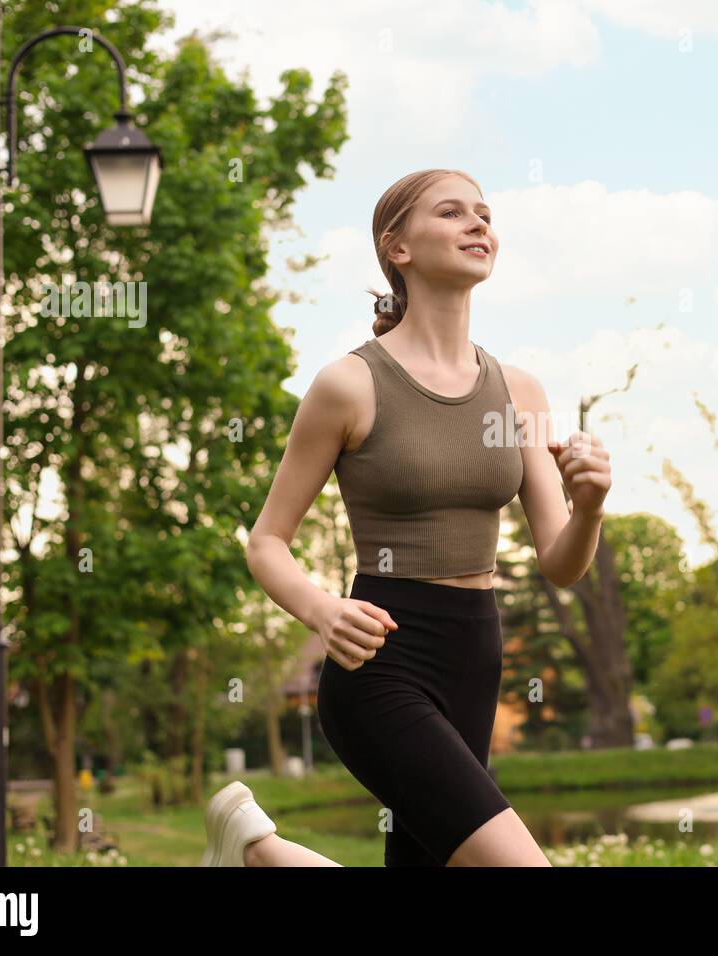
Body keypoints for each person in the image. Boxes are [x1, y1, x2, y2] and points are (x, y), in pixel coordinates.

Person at [201, 169, 612, 867]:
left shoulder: (520, 391)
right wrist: (322, 611)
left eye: (484, 214)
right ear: (398, 248)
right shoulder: (350, 385)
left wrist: (592, 505)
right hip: (380, 659)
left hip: (476, 655)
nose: (478, 225)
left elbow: (560, 563)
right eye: (452, 213)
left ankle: (256, 850)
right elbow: (267, 541)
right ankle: (255, 849)